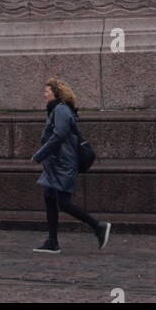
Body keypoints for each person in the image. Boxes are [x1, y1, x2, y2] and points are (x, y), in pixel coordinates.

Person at [31, 77, 110, 255]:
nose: (44, 94)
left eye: (47, 91)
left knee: (64, 203)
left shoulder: (61, 110)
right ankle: (52, 242)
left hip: (63, 164)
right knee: (49, 198)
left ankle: (98, 226)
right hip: (55, 165)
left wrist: (39, 154)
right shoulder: (56, 110)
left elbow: (58, 135)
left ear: (56, 93)